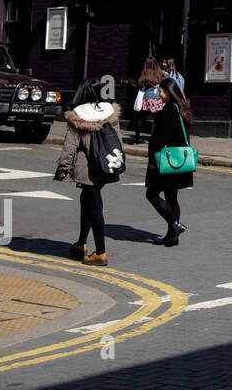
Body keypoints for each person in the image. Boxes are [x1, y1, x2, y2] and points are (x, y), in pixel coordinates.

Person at [54, 79, 123, 265]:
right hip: (106, 165)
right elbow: (118, 141)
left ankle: (101, 253)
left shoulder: (79, 115)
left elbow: (70, 146)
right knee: (87, 201)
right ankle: (81, 243)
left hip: (88, 168)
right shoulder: (109, 111)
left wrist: (62, 169)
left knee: (95, 207)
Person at [146, 77, 195, 246]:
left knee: (151, 194)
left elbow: (160, 138)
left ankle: (175, 225)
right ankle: (172, 236)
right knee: (171, 198)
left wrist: (153, 161)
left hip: (166, 161)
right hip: (180, 160)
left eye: (161, 91)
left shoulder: (169, 110)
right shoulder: (182, 109)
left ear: (168, 92)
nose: (159, 94)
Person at [133, 56, 166, 144]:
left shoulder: (145, 74)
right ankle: (156, 138)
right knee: (157, 120)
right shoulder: (161, 74)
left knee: (139, 118)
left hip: (146, 100)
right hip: (157, 100)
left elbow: (142, 89)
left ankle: (137, 138)